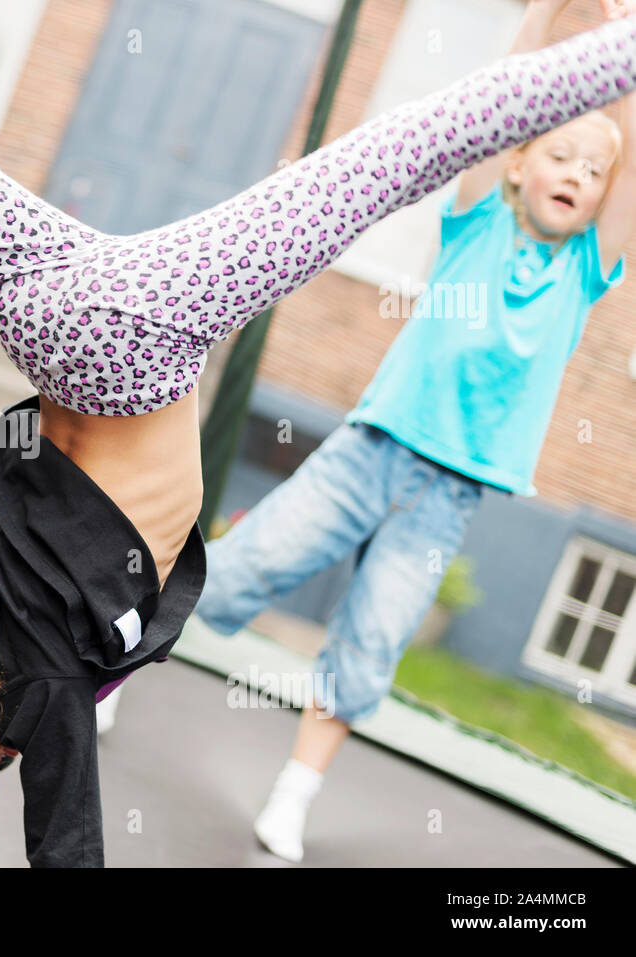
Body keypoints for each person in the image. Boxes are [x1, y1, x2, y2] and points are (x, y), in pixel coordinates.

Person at [0, 0, 636, 866]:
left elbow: (66, 845)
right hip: (39, 292)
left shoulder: (45, 692)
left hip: (134, 333)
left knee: (410, 149)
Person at [182, 0, 635, 865]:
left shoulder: (586, 272)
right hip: (370, 451)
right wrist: (543, 14)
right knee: (243, 565)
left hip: (448, 497)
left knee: (373, 641)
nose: (577, 172)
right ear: (517, 166)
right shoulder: (478, 223)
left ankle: (294, 794)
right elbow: (499, 98)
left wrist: (626, 56)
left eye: (594, 169)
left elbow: (631, 167)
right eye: (559, 154)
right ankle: (114, 677)